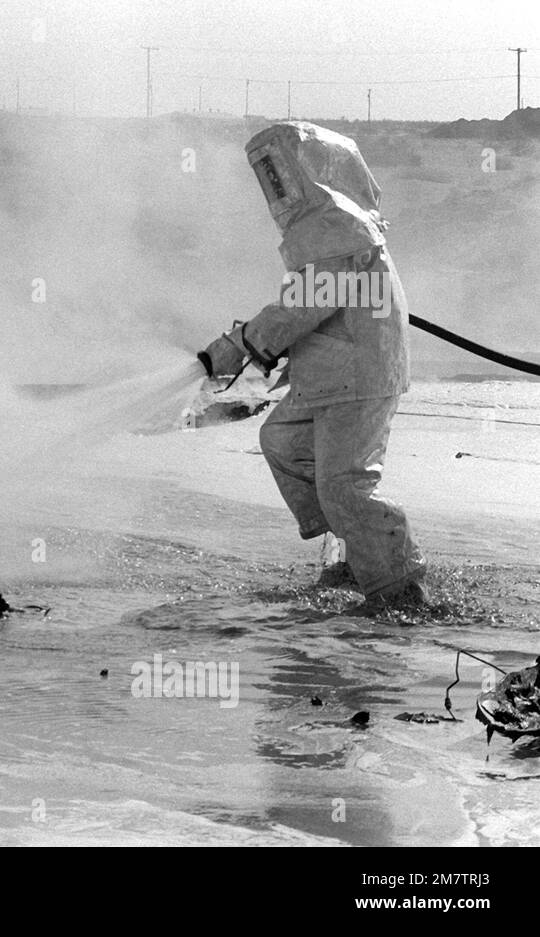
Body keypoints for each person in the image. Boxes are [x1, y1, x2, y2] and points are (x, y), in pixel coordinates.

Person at [199, 121, 426, 607]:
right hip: (332, 372)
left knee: (345, 483)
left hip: (357, 374)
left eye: (277, 170)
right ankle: (353, 550)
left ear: (305, 167)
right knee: (283, 440)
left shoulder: (338, 227)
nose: (274, 185)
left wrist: (240, 343)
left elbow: (308, 303)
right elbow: (315, 300)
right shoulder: (334, 228)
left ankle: (399, 590)